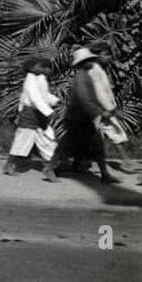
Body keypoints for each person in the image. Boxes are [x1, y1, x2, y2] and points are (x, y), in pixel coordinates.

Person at [53, 46, 122, 184]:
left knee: (88, 145)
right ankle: (51, 168)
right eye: (89, 59)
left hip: (82, 117)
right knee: (70, 146)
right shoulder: (81, 77)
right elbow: (85, 99)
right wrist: (102, 112)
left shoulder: (86, 75)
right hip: (76, 118)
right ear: (82, 63)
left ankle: (96, 172)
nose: (92, 61)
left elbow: (92, 97)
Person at [5, 56, 58, 178]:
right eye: (38, 66)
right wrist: (48, 111)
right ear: (31, 68)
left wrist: (55, 101)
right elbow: (35, 98)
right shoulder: (30, 80)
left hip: (39, 114)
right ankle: (9, 164)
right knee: (23, 140)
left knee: (47, 139)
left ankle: (49, 167)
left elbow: (44, 95)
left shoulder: (39, 78)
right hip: (30, 114)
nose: (40, 68)